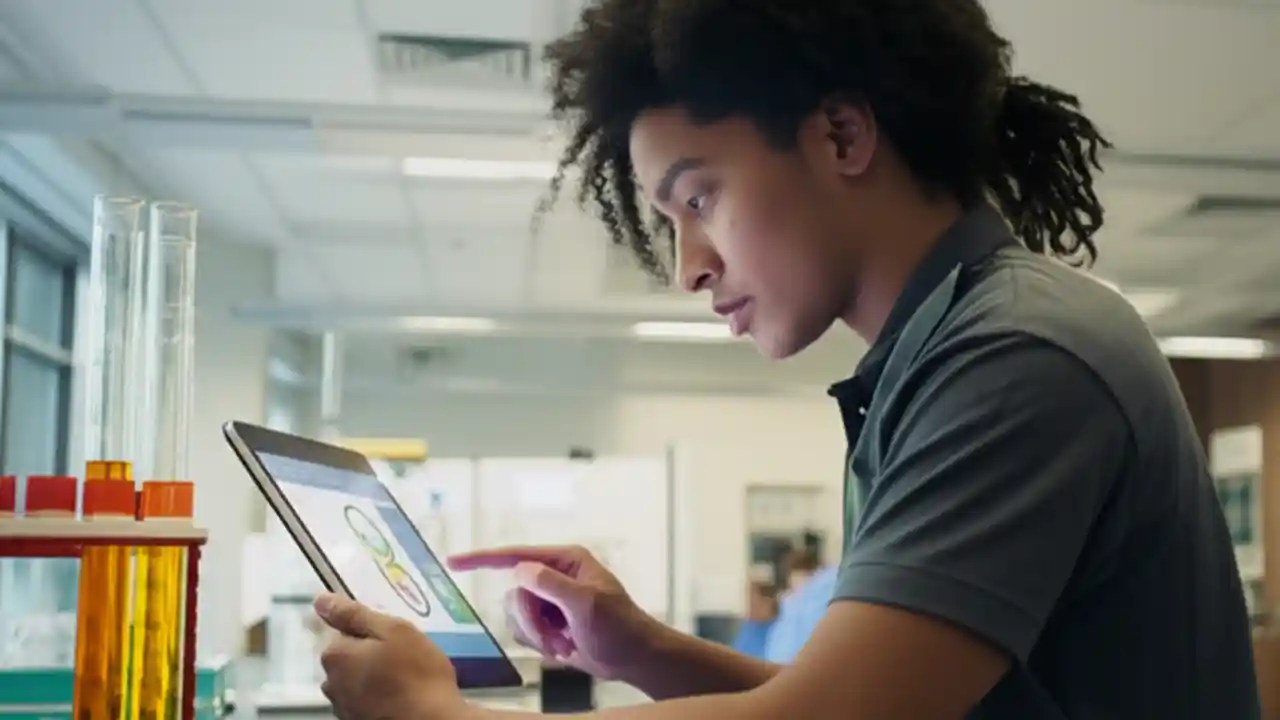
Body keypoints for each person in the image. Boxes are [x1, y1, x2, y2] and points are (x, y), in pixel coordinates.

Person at [312, 1, 1260, 718]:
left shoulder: (1017, 356)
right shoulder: (950, 353)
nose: (688, 267)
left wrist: (437, 713)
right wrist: (639, 648)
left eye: (698, 200)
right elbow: (869, 695)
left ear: (841, 136)